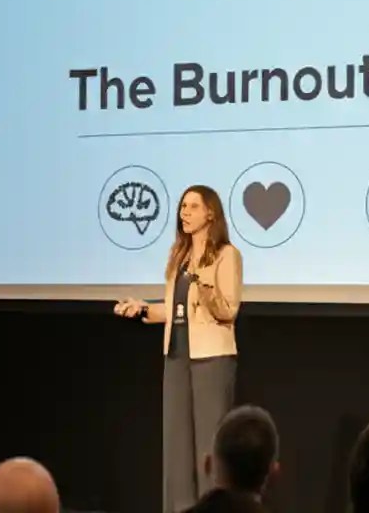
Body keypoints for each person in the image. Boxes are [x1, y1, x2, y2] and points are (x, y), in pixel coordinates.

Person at [114, 184, 244, 513]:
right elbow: (175, 310)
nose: (184, 212)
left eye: (192, 206)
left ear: (210, 212)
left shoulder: (227, 255)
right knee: (177, 446)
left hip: (211, 356)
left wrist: (204, 285)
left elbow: (227, 311)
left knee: (208, 446)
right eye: (182, 206)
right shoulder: (179, 256)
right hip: (176, 353)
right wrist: (143, 308)